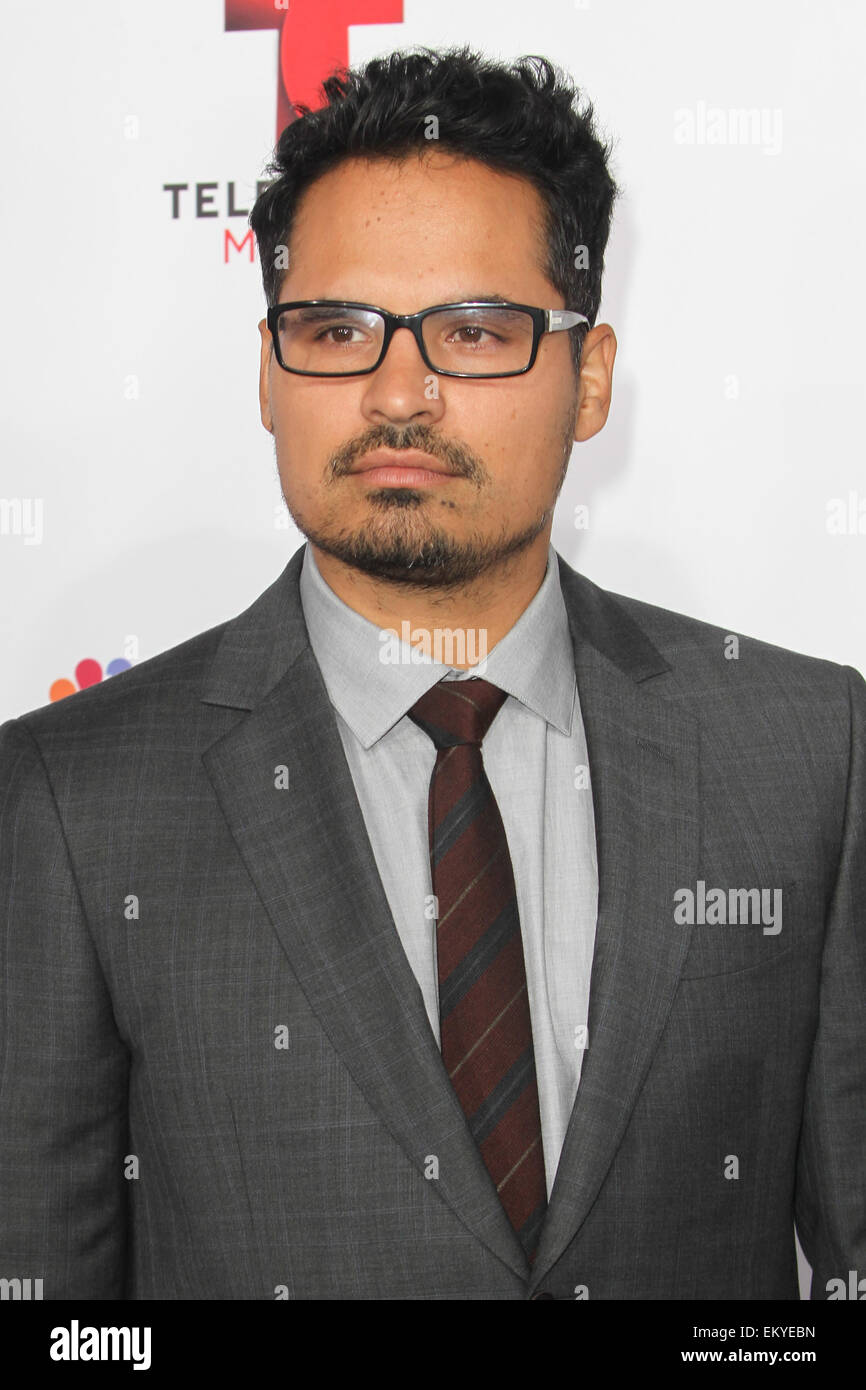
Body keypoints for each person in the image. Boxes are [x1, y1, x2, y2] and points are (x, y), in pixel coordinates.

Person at [1, 45, 863, 1302]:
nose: (398, 394)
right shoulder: (71, 798)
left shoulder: (806, 749)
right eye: (335, 329)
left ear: (589, 379)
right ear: (266, 372)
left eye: (472, 331)